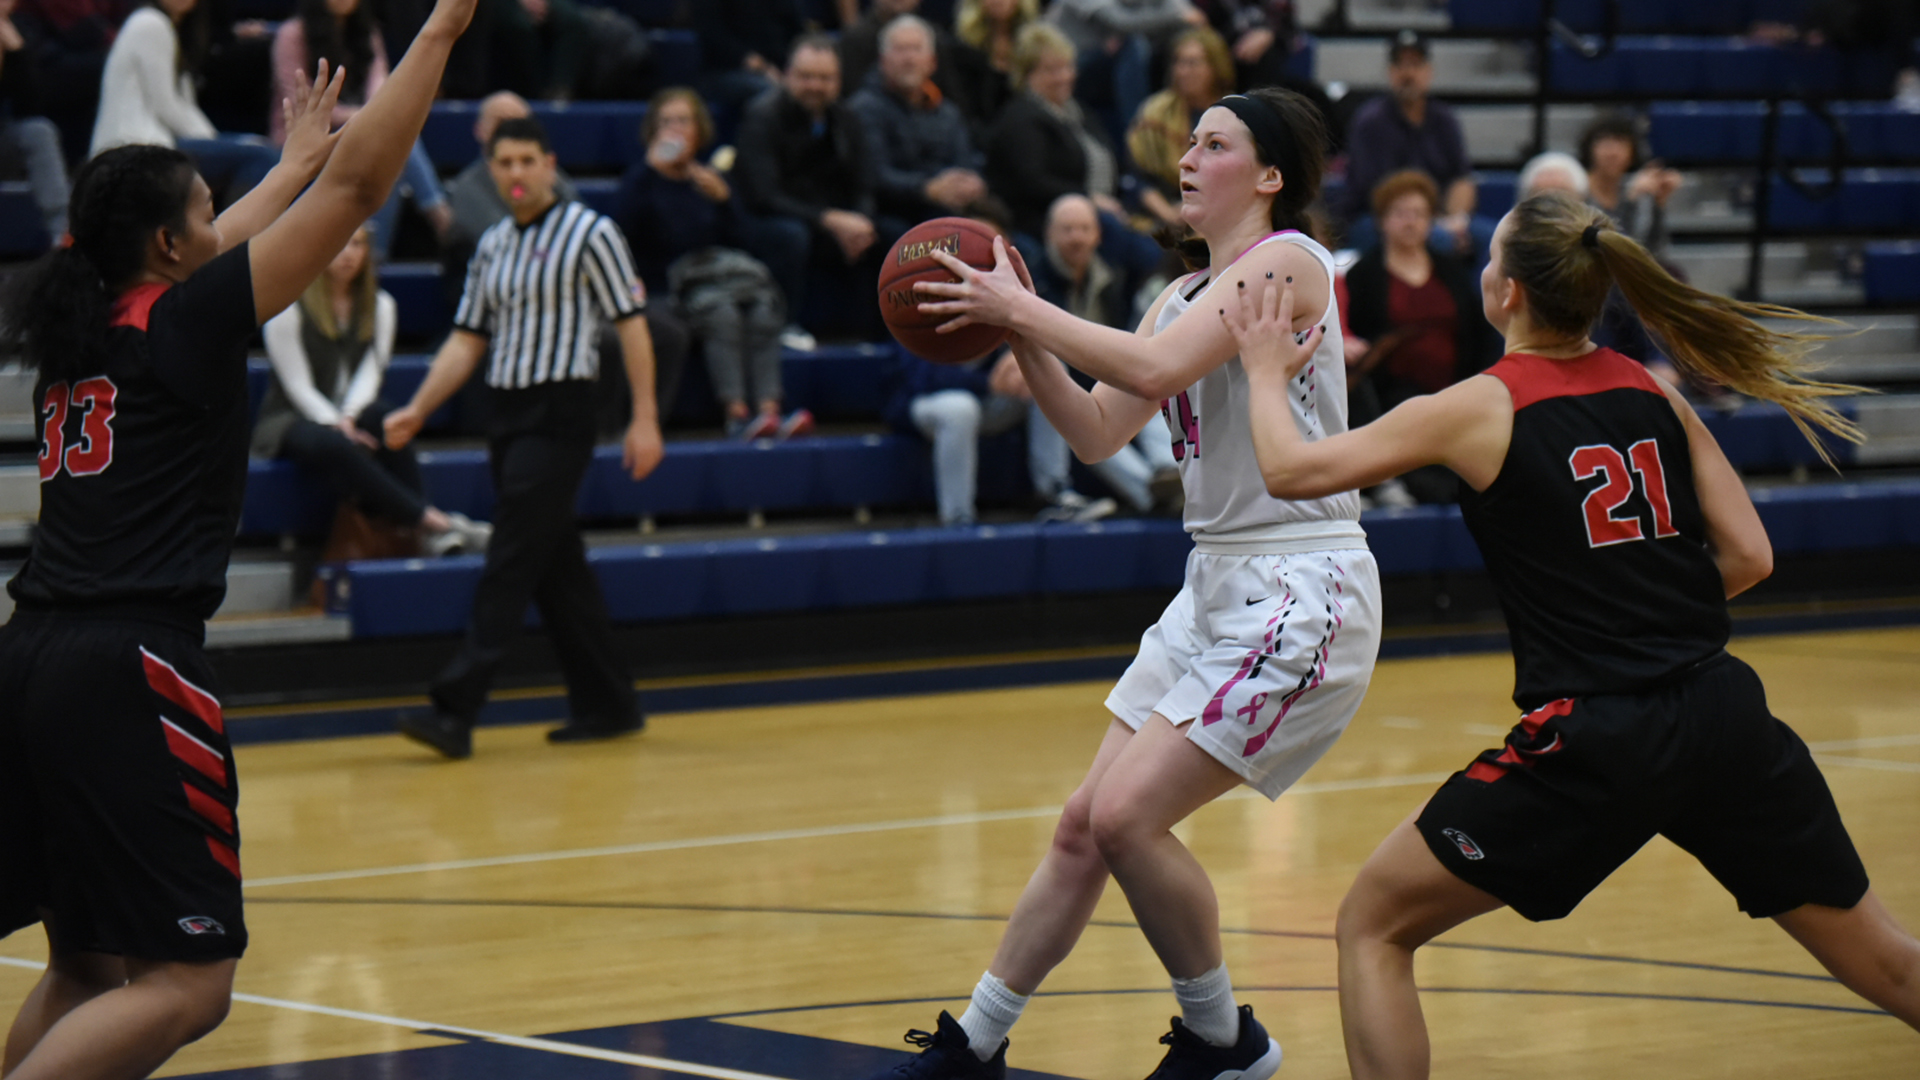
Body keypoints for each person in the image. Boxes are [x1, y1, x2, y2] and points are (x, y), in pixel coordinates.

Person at [1217, 188, 1920, 1078]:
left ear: (1508, 292)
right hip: (1723, 716)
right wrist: (1644, 607)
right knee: (1889, 959)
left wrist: (1267, 373)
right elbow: (1750, 554)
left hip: (1603, 736)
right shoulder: (1651, 392)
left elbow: (1289, 469)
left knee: (1373, 923)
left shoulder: (1479, 405)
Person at [867, 87, 1382, 1079]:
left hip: (1300, 581)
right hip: (1216, 579)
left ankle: (1224, 1040)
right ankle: (974, 1045)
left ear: (1269, 176)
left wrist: (1023, 305)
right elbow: (1104, 426)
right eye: (1188, 141)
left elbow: (1150, 368)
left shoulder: (1287, 264)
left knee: (1123, 818)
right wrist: (1016, 333)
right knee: (1081, 825)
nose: (1189, 155)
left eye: (1216, 144)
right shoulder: (1177, 293)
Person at [0, 0, 477, 1069]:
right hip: (128, 663)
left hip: (33, 653)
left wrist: (287, 163)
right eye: (208, 212)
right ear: (169, 245)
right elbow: (361, 191)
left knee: (85, 965)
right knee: (188, 982)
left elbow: (224, 247)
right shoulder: (187, 321)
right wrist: (440, 33)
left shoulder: (94, 331)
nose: (223, 226)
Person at [384, 115, 665, 760]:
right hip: (504, 413)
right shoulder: (492, 246)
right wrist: (419, 408)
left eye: (526, 161)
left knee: (511, 554)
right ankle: (610, 703)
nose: (515, 174)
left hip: (562, 412)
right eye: (503, 163)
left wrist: (644, 418)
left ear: (550, 163)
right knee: (554, 565)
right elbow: (465, 340)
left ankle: (456, 709)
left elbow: (633, 327)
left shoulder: (591, 233)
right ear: (491, 171)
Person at [252, 224, 490, 554]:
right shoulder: (289, 306)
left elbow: (370, 374)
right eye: (339, 245)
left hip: (351, 413)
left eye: (357, 245)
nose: (348, 254)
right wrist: (338, 424)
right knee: (332, 443)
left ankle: (422, 527)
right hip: (289, 419)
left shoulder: (381, 306)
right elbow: (297, 385)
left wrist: (348, 417)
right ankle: (434, 523)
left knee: (389, 420)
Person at [618, 87, 809, 440]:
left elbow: (744, 244)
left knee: (763, 308)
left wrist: (725, 203)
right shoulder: (641, 181)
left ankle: (769, 411)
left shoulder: (712, 182)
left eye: (684, 121)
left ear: (699, 129)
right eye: (667, 122)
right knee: (722, 313)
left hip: (724, 277)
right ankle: (735, 413)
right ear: (653, 131)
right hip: (673, 284)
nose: (676, 130)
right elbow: (621, 236)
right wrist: (650, 169)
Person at [1340, 169, 1499, 506]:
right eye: (1400, 213)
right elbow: (1354, 338)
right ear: (1382, 221)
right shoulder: (1363, 277)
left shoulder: (1453, 270)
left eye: (1419, 214)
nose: (1410, 222)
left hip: (1455, 393)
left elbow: (1478, 331)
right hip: (1392, 402)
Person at [1029, 193, 1181, 515]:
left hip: (1105, 376)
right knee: (1072, 398)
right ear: (1049, 234)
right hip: (1066, 385)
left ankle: (1168, 472)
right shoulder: (1033, 281)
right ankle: (1153, 494)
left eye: (1084, 228)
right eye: (1067, 229)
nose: (1076, 238)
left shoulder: (1112, 276)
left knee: (1151, 382)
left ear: (1098, 234)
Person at [734, 34, 895, 338]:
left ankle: (878, 333)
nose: (816, 86)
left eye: (825, 78)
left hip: (827, 217)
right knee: (792, 236)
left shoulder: (847, 118)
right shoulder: (762, 116)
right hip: (770, 218)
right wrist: (828, 219)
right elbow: (763, 196)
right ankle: (783, 326)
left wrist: (860, 222)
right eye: (806, 77)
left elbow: (864, 184)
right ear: (787, 75)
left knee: (888, 235)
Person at [270, 0, 451, 256]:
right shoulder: (292, 35)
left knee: (390, 149)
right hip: (304, 142)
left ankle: (373, 258)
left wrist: (373, 118)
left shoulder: (369, 30)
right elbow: (303, 102)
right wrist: (369, 118)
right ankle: (439, 216)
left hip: (360, 135)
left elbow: (381, 83)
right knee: (391, 139)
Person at [90, 0, 281, 205]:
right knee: (259, 158)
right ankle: (234, 235)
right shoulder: (149, 23)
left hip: (161, 142)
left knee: (262, 150)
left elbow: (185, 106)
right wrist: (219, 142)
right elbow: (166, 106)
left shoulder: (176, 30)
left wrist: (229, 141)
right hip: (135, 148)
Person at [1341, 30, 1482, 259]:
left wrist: (1457, 220)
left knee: (1490, 239)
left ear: (1428, 71)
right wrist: (1428, 220)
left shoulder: (1445, 118)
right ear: (1390, 72)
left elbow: (1462, 179)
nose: (1408, 73)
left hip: (1438, 219)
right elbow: (1379, 193)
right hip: (1376, 219)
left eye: (1415, 64)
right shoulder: (1369, 122)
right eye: (1400, 65)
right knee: (1442, 242)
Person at [847, 14, 994, 225]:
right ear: (883, 61)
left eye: (916, 49)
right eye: (900, 50)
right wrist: (927, 189)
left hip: (943, 209)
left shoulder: (947, 112)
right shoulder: (862, 108)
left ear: (932, 62)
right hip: (888, 215)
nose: (909, 59)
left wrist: (970, 183)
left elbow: (965, 161)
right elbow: (874, 175)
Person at [1127, 25, 1233, 231]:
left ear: (1216, 67)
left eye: (1192, 63)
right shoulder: (1154, 113)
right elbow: (1137, 178)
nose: (1182, 71)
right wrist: (1168, 212)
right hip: (1159, 216)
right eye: (1178, 62)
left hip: (1219, 218)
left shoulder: (1235, 116)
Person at [0, 0, 70, 244]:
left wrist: (16, 52)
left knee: (39, 131)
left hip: (5, 135)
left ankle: (62, 240)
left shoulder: (22, 28)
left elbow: (30, 105)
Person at [1579, 113, 1681, 256]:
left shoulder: (1635, 190)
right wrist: (1630, 204)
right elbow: (1610, 248)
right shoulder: (1576, 188)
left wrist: (1658, 204)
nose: (1612, 153)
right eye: (1605, 143)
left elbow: (1654, 251)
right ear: (1589, 149)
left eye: (1620, 144)